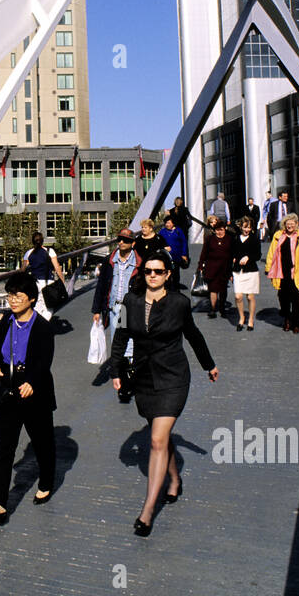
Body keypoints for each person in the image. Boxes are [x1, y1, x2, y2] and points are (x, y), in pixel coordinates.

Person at [110, 250, 218, 537]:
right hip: (144, 379)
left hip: (173, 377)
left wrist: (209, 365)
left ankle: (147, 511)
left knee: (157, 440)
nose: (153, 276)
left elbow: (193, 335)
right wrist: (115, 371)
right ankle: (174, 479)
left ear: (168, 274)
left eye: (158, 271)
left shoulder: (179, 303)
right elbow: (120, 337)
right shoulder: (129, 302)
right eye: (148, 271)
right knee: (162, 437)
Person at [0, 272, 57, 524]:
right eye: (10, 295)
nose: (13, 300)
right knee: (4, 448)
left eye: (18, 295)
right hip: (8, 389)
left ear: (32, 299)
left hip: (35, 392)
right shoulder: (7, 320)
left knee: (42, 443)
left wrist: (32, 382)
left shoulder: (43, 328)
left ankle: (46, 482)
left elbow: (44, 362)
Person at [91, 228, 141, 392]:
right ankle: (123, 375)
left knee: (130, 343)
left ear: (132, 243)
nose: (121, 242)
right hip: (114, 307)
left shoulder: (139, 262)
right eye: (119, 239)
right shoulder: (109, 261)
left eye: (126, 240)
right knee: (118, 343)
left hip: (130, 308)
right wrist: (97, 310)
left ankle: (128, 376)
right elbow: (101, 286)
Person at [20, 230, 65, 320]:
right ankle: (44, 323)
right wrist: (62, 280)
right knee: (49, 306)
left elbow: (22, 270)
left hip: (35, 283)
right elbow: (57, 267)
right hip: (48, 282)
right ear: (42, 241)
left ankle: (37, 322)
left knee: (37, 305)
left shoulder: (29, 253)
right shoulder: (49, 251)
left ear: (32, 241)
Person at [195, 216, 234, 319]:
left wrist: (232, 270)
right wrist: (200, 265)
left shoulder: (229, 239)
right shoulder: (209, 239)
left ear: (224, 229)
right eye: (217, 230)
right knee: (213, 289)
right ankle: (212, 309)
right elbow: (203, 253)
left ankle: (222, 308)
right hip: (211, 267)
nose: (219, 232)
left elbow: (232, 254)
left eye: (221, 230)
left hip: (225, 268)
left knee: (223, 289)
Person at [231, 215, 262, 331]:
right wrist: (234, 259)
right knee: (238, 296)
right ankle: (241, 317)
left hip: (251, 271)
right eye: (245, 227)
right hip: (238, 271)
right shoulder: (235, 238)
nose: (247, 230)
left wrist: (248, 257)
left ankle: (250, 320)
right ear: (241, 227)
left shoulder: (254, 239)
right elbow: (232, 253)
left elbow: (258, 255)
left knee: (250, 296)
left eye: (249, 227)